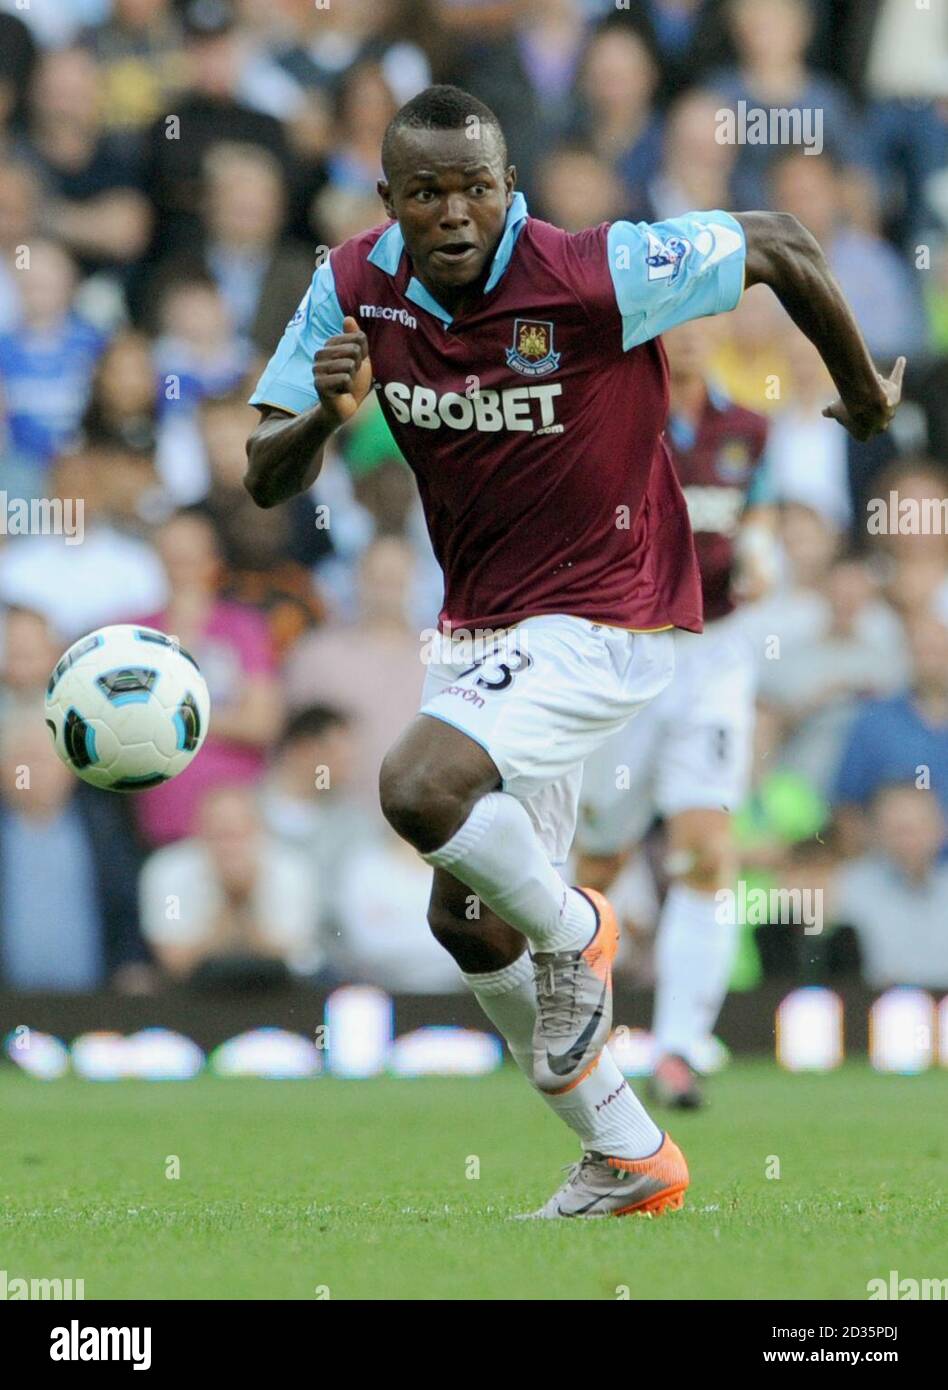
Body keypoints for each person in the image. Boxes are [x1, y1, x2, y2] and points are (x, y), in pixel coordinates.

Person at [245, 84, 904, 1219]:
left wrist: (861, 399)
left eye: (475, 187)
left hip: (614, 612)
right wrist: (323, 413)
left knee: (418, 785)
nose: (453, 212)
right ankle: (627, 1152)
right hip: (484, 629)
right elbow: (264, 474)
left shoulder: (599, 268)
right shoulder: (350, 288)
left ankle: (581, 928)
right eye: (425, 191)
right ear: (390, 197)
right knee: (463, 916)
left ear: (511, 189)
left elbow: (784, 244)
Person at [573, 317, 774, 1109]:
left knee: (705, 850)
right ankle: (575, 1032)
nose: (690, 337)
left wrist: (761, 551)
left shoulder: (748, 429)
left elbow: (752, 515)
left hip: (715, 652)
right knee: (600, 860)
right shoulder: (618, 415)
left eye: (705, 321)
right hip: (630, 647)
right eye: (677, 321)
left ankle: (683, 1048)